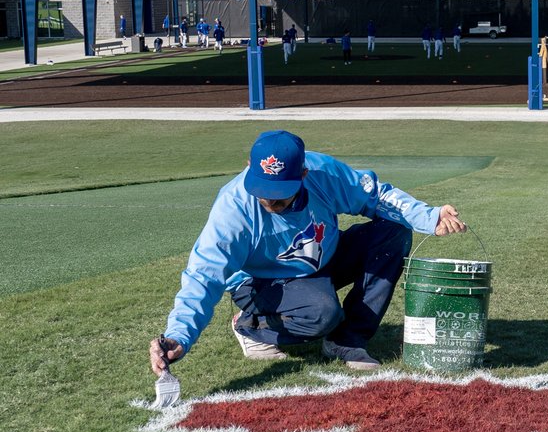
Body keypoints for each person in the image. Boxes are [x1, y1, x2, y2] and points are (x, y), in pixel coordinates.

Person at [148, 130, 468, 378]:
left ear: (303, 174)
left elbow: (376, 196)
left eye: (280, 195)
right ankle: (251, 326)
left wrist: (429, 217)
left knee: (393, 231)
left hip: (319, 260)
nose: (270, 203)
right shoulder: (232, 210)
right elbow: (203, 276)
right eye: (263, 191)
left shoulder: (323, 173)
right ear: (248, 167)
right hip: (259, 282)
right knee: (322, 312)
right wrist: (179, 336)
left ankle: (348, 340)